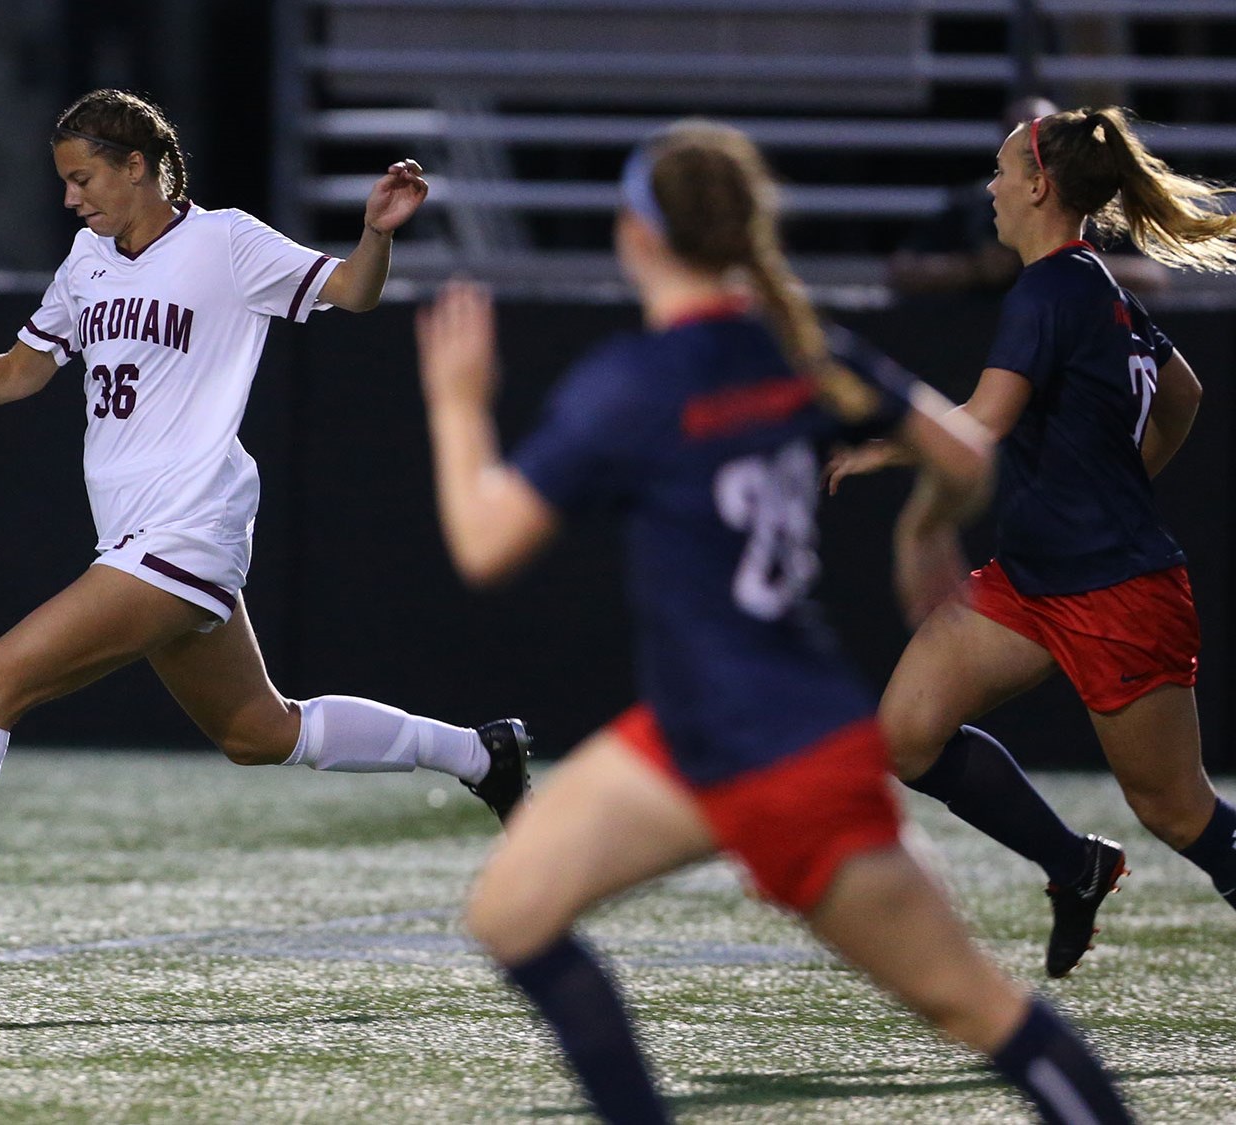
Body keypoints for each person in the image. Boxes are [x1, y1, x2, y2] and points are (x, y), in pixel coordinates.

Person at [416, 120, 1132, 1124]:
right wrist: (920, 529)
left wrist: (456, 405)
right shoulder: (798, 348)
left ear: (637, 237)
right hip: (699, 738)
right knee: (510, 912)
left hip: (782, 757)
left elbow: (484, 544)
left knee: (970, 1004)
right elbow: (964, 456)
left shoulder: (632, 382)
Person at [0, 89, 531, 969]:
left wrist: (378, 233)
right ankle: (483, 755)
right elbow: (23, 368)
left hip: (188, 524)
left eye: (83, 176)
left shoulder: (227, 243)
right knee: (260, 732)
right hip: (135, 535)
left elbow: (353, 292)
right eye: (64, 180)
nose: (71, 198)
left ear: (140, 166)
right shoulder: (88, 258)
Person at [831, 105, 1236, 979]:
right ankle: (1075, 865)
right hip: (1037, 581)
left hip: (1118, 590)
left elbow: (981, 422)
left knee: (1177, 811)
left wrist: (883, 445)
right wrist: (1119, 481)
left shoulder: (1054, 286)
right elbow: (1184, 393)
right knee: (908, 733)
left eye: (1004, 170)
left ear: (1040, 185)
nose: (992, 187)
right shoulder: (1093, 283)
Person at [887, 96, 1169, 297]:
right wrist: (974, 270)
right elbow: (901, 271)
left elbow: (1152, 278)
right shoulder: (976, 207)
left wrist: (1064, 263)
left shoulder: (1091, 208)